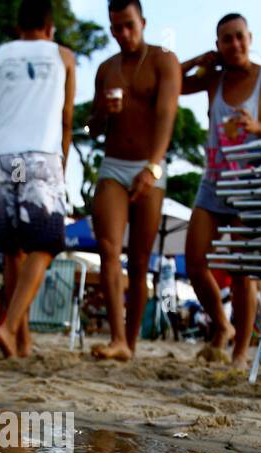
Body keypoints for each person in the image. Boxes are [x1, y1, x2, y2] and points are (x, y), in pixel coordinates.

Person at [0, 0, 77, 358]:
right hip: (40, 156)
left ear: (18, 27)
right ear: (50, 27)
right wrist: (64, 162)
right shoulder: (63, 56)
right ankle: (9, 327)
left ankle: (20, 343)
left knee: (14, 250)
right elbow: (67, 119)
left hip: (3, 158)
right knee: (45, 244)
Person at [181, 13, 261, 366]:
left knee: (243, 270)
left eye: (239, 37)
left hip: (252, 184)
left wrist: (258, 127)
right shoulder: (213, 80)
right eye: (226, 39)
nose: (235, 44)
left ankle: (241, 353)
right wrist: (198, 62)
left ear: (250, 37)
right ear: (218, 46)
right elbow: (173, 84)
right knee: (195, 262)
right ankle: (222, 326)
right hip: (214, 179)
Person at [86, 0, 181, 362]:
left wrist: (153, 167)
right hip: (113, 165)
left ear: (142, 21)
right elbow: (92, 126)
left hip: (149, 164)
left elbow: (166, 114)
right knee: (109, 250)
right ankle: (117, 338)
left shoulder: (163, 59)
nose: (123, 34)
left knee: (140, 260)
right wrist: (101, 113)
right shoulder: (106, 69)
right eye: (117, 28)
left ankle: (131, 342)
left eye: (129, 25)